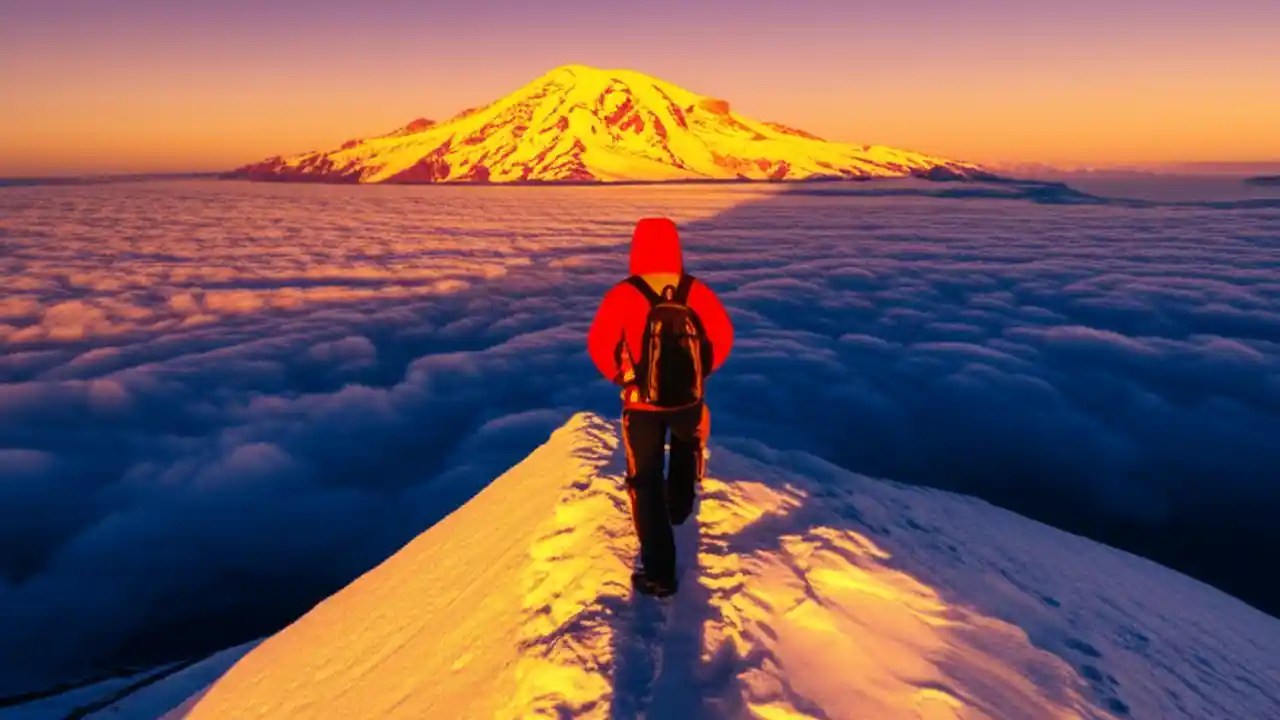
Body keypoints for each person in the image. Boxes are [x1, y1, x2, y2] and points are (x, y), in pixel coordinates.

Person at [587, 217, 734, 596]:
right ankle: (681, 507)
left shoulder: (623, 294)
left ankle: (659, 572)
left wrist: (626, 381)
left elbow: (600, 347)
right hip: (688, 400)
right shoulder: (696, 291)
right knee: (686, 446)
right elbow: (724, 338)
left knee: (645, 480)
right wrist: (698, 375)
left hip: (641, 407)